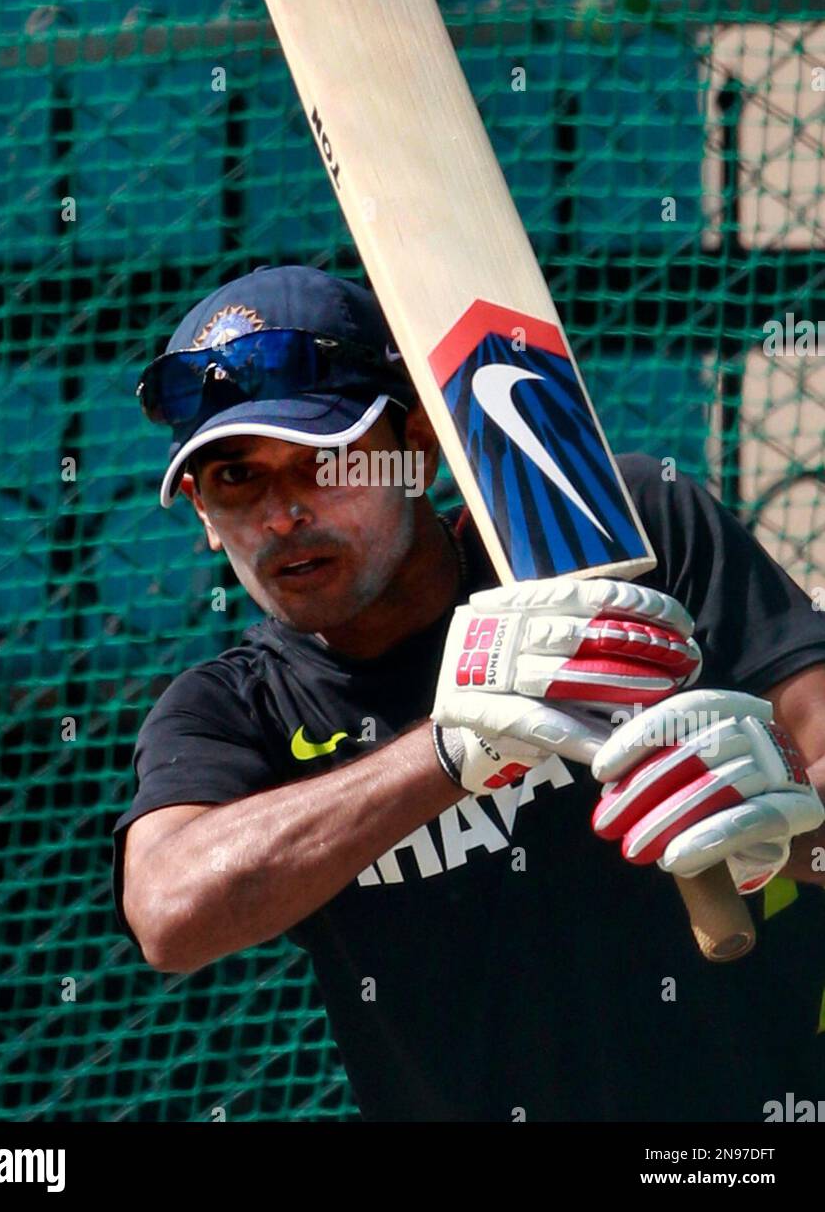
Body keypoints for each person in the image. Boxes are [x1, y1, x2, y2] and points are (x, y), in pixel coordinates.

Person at [112, 264, 825, 1121]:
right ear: (197, 507)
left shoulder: (623, 530)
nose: (281, 516)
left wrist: (782, 827)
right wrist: (451, 750)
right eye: (237, 480)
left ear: (418, 449)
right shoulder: (232, 709)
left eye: (323, 460)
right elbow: (169, 913)